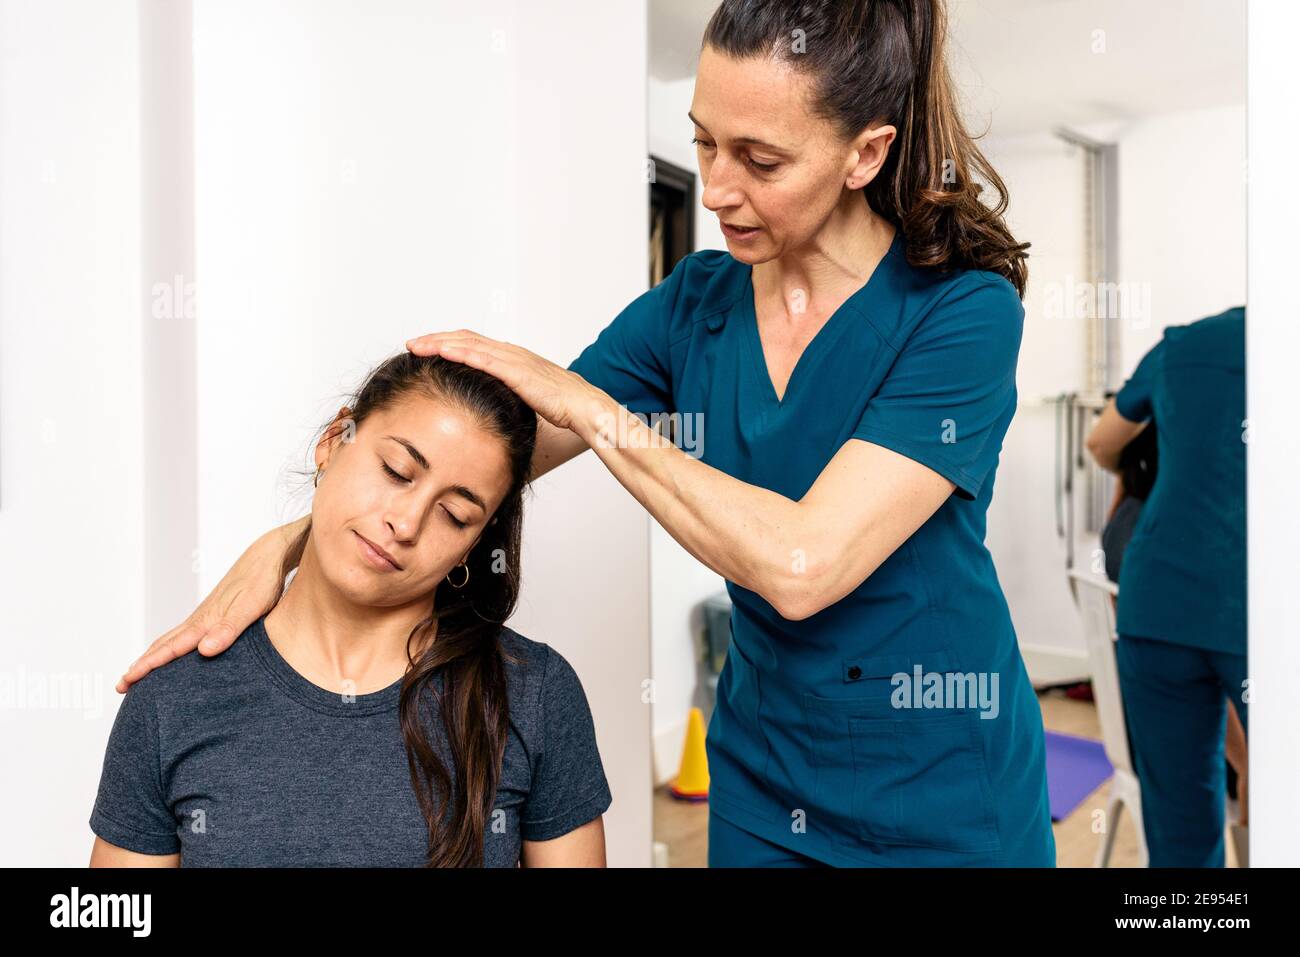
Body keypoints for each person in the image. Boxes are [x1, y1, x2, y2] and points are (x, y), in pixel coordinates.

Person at [121, 0, 1054, 866]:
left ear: (865, 153)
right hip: (768, 776)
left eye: (760, 161)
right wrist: (297, 543)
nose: (718, 187)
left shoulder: (961, 313)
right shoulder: (696, 305)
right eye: (703, 142)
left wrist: (595, 409)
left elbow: (801, 565)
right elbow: (480, 464)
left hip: (944, 785)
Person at [91, 354, 611, 867]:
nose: (405, 524)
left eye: (454, 515)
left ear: (472, 547)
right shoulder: (172, 701)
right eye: (396, 471)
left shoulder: (534, 693)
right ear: (333, 441)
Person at [1085, 305, 1247, 866]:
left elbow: (1102, 441)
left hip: (1159, 604)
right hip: (1253, 604)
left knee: (1180, 825)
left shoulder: (1185, 344)